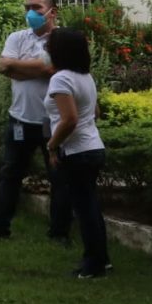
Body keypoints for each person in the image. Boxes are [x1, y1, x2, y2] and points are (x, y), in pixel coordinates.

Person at [0, 0, 72, 241]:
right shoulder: (17, 37)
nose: (30, 13)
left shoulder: (63, 40)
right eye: (27, 7)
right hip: (20, 119)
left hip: (53, 123)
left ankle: (59, 234)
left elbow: (53, 69)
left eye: (37, 8)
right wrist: (40, 69)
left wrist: (19, 68)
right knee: (10, 175)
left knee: (59, 179)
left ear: (52, 12)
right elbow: (3, 66)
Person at [43, 28, 109, 278]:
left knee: (85, 210)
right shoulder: (86, 77)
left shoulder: (61, 79)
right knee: (90, 206)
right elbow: (95, 113)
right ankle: (102, 259)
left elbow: (69, 119)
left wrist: (52, 145)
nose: (47, 50)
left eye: (50, 46)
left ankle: (93, 265)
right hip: (93, 147)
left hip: (77, 151)